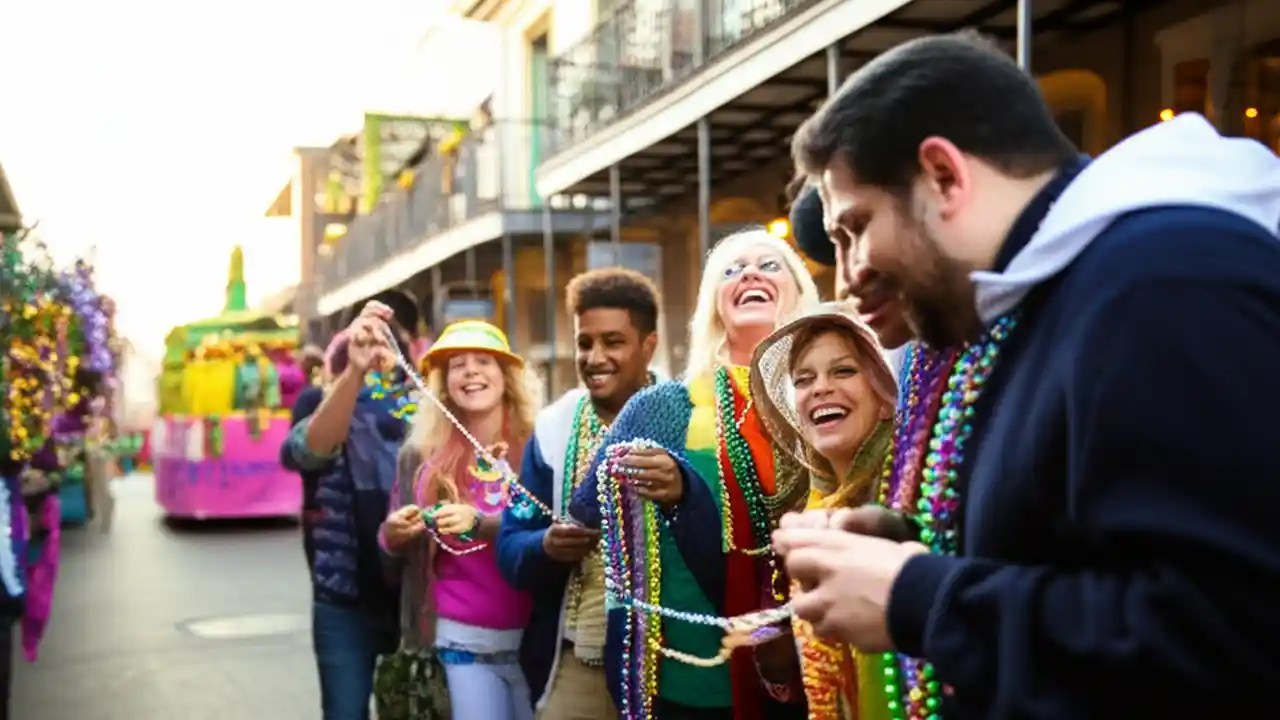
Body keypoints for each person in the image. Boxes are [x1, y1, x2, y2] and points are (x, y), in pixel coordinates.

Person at [776, 31, 1280, 719]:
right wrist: (912, 553)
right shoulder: (1056, 297)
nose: (851, 271)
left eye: (856, 227)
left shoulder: (1163, 283)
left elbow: (1229, 633)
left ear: (945, 176)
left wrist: (921, 596)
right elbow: (1091, 556)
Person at [571, 229, 821, 720]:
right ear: (714, 305)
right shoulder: (664, 406)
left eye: (768, 265)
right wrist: (658, 484)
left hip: (808, 659)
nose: (749, 273)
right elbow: (585, 509)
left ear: (799, 292)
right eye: (732, 269)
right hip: (691, 675)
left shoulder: (829, 395)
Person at [497, 269, 661, 719]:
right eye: (584, 343)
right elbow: (511, 542)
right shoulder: (554, 429)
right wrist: (546, 547)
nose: (595, 357)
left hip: (668, 667)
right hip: (575, 663)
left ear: (649, 346)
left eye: (613, 342)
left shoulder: (685, 419)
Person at [379, 320, 542, 720]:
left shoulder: (542, 445)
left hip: (538, 641)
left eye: (483, 361)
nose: (470, 371)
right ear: (443, 383)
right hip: (462, 643)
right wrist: (393, 533)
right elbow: (389, 542)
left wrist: (482, 521)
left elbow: (557, 526)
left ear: (506, 377)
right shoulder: (420, 457)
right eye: (457, 364)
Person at [748, 302, 896, 719]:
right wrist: (766, 635)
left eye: (843, 371)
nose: (821, 388)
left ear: (885, 399)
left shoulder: (909, 495)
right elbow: (773, 625)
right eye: (804, 378)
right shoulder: (806, 513)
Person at [284, 300, 416, 720]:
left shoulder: (423, 403)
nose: (378, 346)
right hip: (342, 597)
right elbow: (306, 452)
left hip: (414, 595)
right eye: (367, 334)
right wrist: (354, 373)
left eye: (390, 336)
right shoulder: (316, 401)